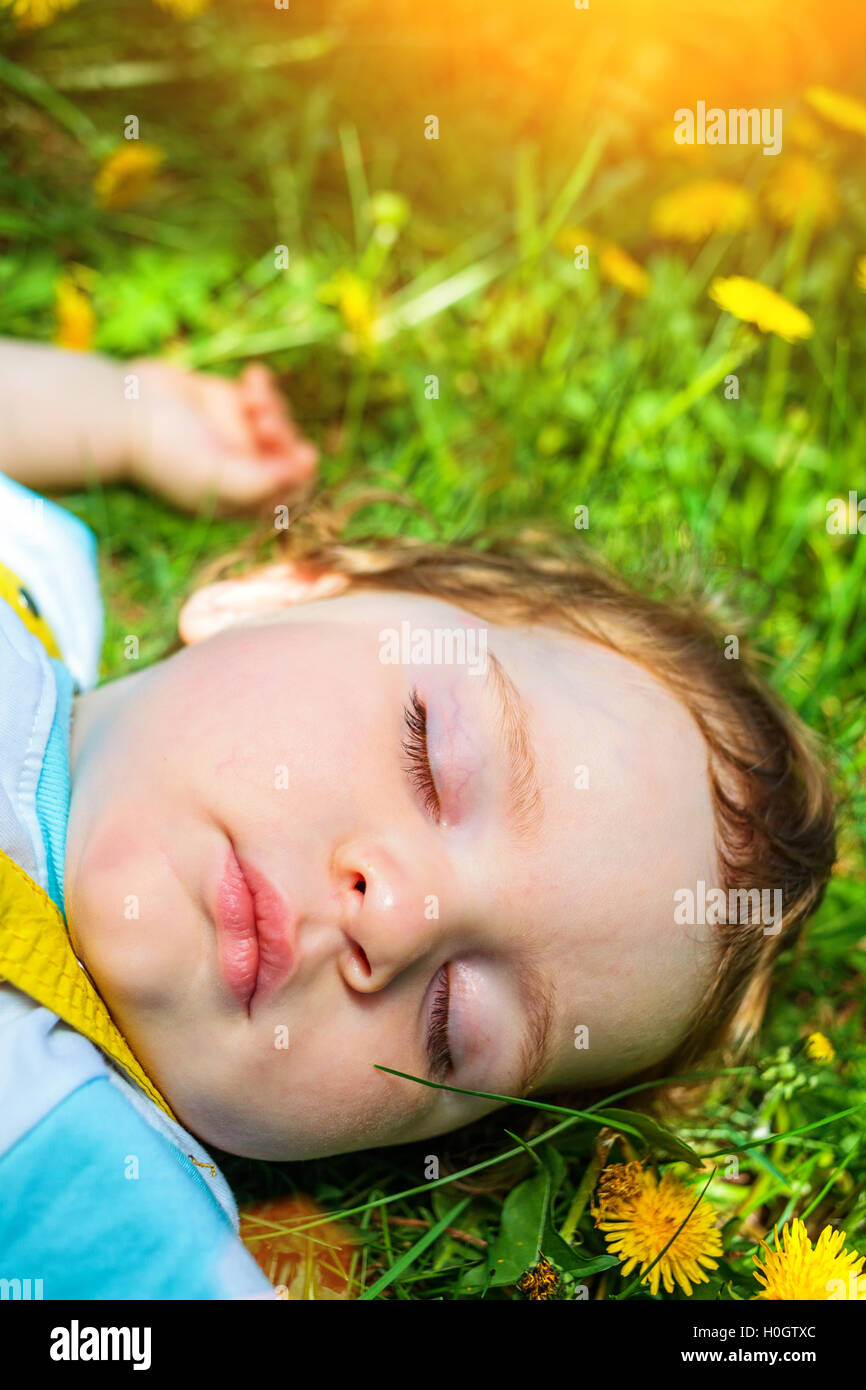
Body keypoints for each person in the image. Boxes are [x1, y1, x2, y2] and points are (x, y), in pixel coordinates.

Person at [0, 339, 835, 1296]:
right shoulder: (35, 567)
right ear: (276, 597)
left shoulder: (95, 1200)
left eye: (451, 1026)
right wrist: (131, 416)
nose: (399, 915)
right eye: (427, 758)